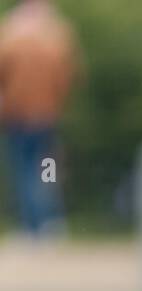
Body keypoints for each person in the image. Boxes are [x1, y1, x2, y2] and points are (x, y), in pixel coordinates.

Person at [0, 0, 81, 237]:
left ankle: (33, 225)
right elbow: (69, 74)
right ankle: (50, 221)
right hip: (48, 114)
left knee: (25, 170)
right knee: (47, 169)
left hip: (19, 115)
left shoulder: (11, 35)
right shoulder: (57, 34)